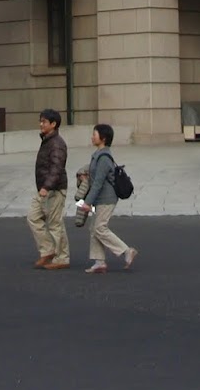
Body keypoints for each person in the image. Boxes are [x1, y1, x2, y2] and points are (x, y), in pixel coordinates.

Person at [78, 123, 137, 274]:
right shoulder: (99, 154)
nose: (92, 137)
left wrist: (87, 202)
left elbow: (98, 183)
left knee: (99, 228)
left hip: (106, 198)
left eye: (94, 134)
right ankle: (99, 262)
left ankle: (126, 251)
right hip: (101, 198)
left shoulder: (103, 157)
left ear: (103, 138)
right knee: (94, 228)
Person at [27, 108, 70, 270]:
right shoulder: (47, 140)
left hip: (54, 189)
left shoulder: (57, 144)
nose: (41, 124)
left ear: (53, 124)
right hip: (45, 188)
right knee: (33, 217)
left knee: (54, 224)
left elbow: (57, 168)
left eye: (44, 121)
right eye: (41, 120)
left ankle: (62, 258)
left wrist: (47, 187)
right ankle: (48, 251)